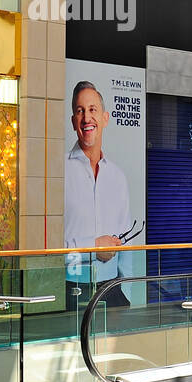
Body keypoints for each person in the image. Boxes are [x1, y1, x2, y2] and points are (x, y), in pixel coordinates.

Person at [64, 80, 133, 310]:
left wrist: (126, 293)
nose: (86, 118)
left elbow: (126, 245)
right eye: (80, 111)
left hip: (112, 291)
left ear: (105, 118)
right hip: (71, 291)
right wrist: (93, 247)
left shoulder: (118, 177)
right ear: (74, 121)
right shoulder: (57, 174)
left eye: (92, 110)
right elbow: (49, 248)